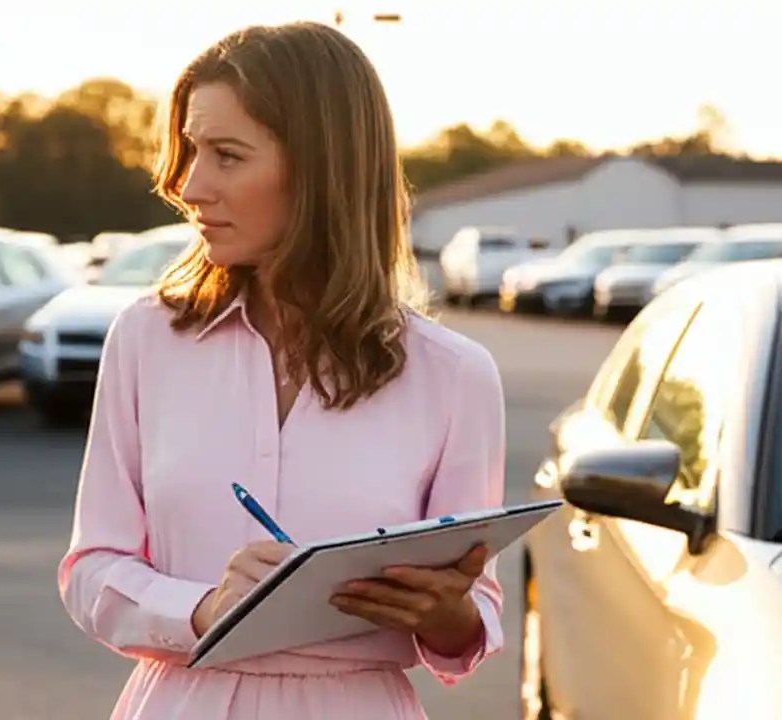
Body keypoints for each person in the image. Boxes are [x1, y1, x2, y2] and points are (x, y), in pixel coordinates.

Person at [57, 21, 506, 720]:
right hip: (181, 702)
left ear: (323, 170)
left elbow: (474, 614)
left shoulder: (455, 376)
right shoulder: (146, 338)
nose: (187, 185)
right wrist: (203, 607)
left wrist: (445, 614)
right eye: (189, 151)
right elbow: (91, 570)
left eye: (226, 156)